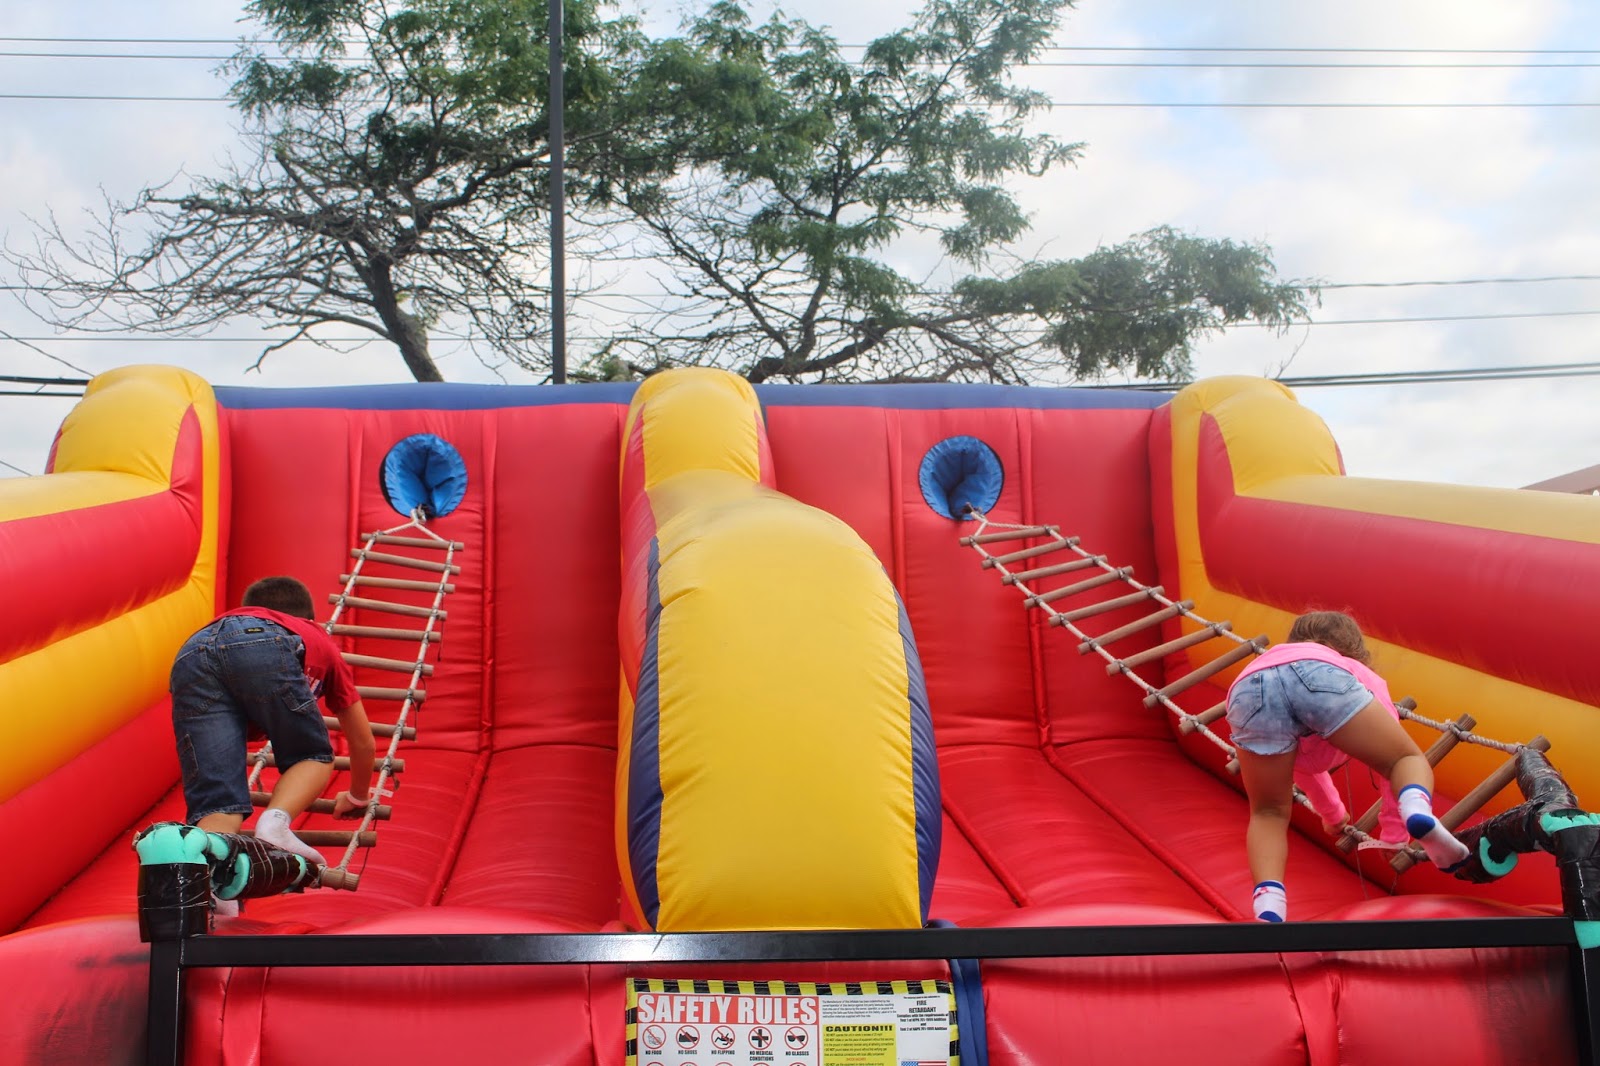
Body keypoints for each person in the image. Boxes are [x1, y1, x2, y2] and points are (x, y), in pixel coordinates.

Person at [1225, 610, 1469, 922]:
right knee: (1404, 760)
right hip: (1319, 678)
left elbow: (1305, 768)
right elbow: (1389, 766)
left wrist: (1333, 815)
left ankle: (1269, 906)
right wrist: (1395, 834)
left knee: (1268, 812)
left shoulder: (1276, 657)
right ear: (1352, 648)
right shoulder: (1348, 668)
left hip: (1248, 686)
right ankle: (1418, 812)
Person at [169, 575, 376, 883]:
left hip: (191, 652)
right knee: (313, 755)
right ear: (305, 619)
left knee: (219, 802)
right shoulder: (312, 634)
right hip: (263, 644)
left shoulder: (226, 624)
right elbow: (363, 743)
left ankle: (212, 884)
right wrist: (358, 796)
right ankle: (276, 824)